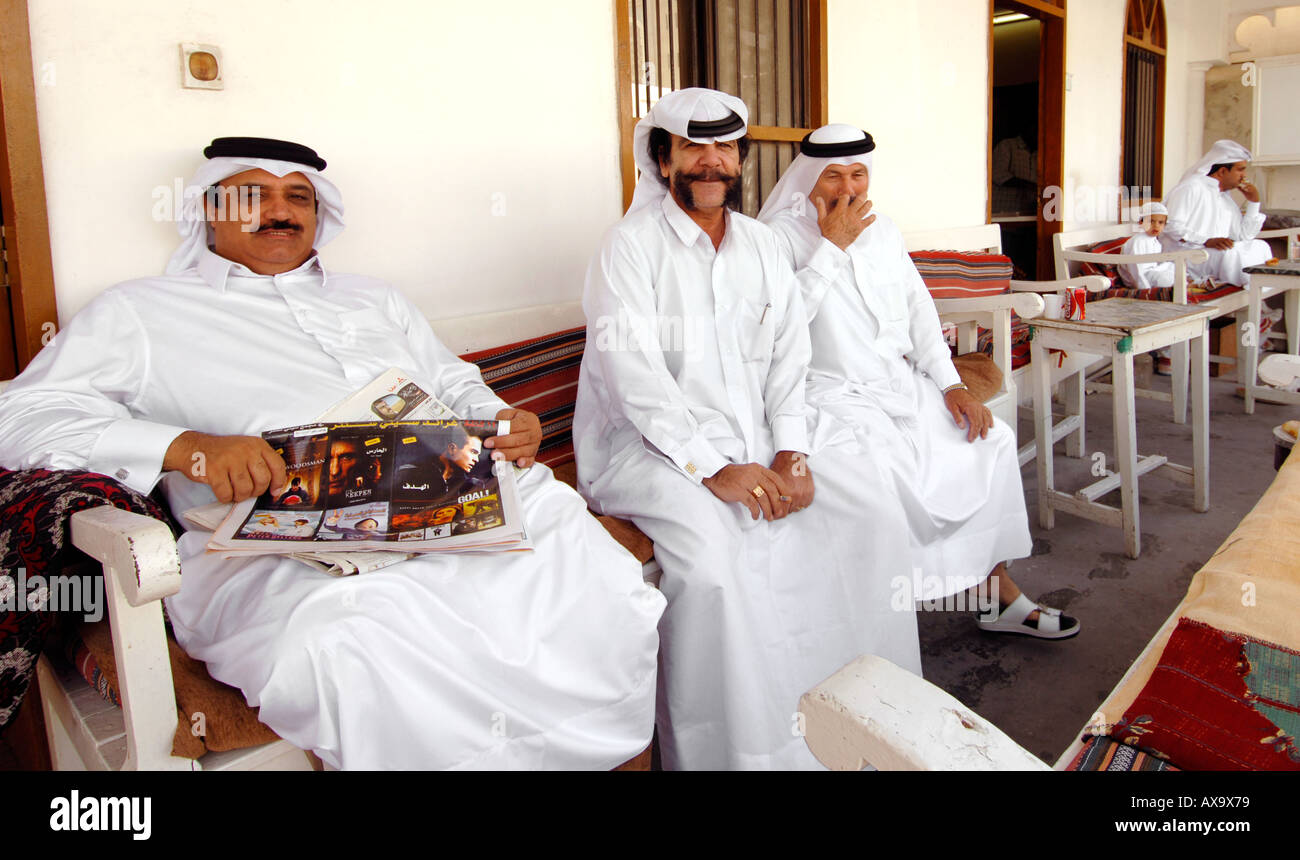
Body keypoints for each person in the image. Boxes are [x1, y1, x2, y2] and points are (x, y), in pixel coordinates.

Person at [0, 136, 665, 770]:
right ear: (208, 207)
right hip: (280, 546)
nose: (281, 210)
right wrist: (182, 447)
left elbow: (452, 378)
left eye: (299, 196)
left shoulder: (375, 298)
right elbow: (20, 414)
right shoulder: (139, 313)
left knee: (600, 583)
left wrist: (501, 417)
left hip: (457, 507)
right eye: (253, 194)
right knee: (348, 645)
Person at [574, 90, 920, 770]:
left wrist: (791, 449)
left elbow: (790, 357)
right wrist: (713, 469)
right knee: (714, 569)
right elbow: (633, 379)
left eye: (726, 148)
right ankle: (739, 752)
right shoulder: (628, 249)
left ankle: (873, 723)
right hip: (651, 453)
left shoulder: (761, 245)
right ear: (663, 158)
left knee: (870, 512)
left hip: (759, 440)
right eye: (694, 148)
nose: (712, 163)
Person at [757, 123, 1078, 640]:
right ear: (809, 179)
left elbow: (918, 310)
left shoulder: (884, 229)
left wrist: (952, 385)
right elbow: (776, 332)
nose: (847, 188)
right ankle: (879, 627)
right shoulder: (775, 238)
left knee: (988, 439)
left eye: (858, 175)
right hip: (827, 396)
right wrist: (832, 248)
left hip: (898, 385)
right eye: (833, 176)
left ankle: (996, 593)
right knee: (888, 479)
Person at [1162, 140, 1271, 287]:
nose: (1244, 176)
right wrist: (1207, 240)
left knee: (1260, 246)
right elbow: (1170, 226)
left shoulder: (1224, 197)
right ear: (1222, 171)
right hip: (1185, 255)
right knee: (1234, 255)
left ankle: (1255, 302)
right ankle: (1249, 300)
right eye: (1240, 170)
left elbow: (1243, 237)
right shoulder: (1191, 187)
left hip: (1212, 254)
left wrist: (1254, 202)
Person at [1117, 202, 1177, 291]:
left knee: (1172, 266)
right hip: (1139, 279)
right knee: (1165, 278)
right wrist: (1145, 290)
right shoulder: (1137, 242)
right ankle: (1179, 286)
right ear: (1141, 222)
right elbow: (1135, 270)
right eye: (1151, 221)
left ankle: (1180, 284)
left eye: (1160, 222)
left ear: (1164, 225)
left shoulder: (1155, 241)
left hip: (1150, 273)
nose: (1156, 226)